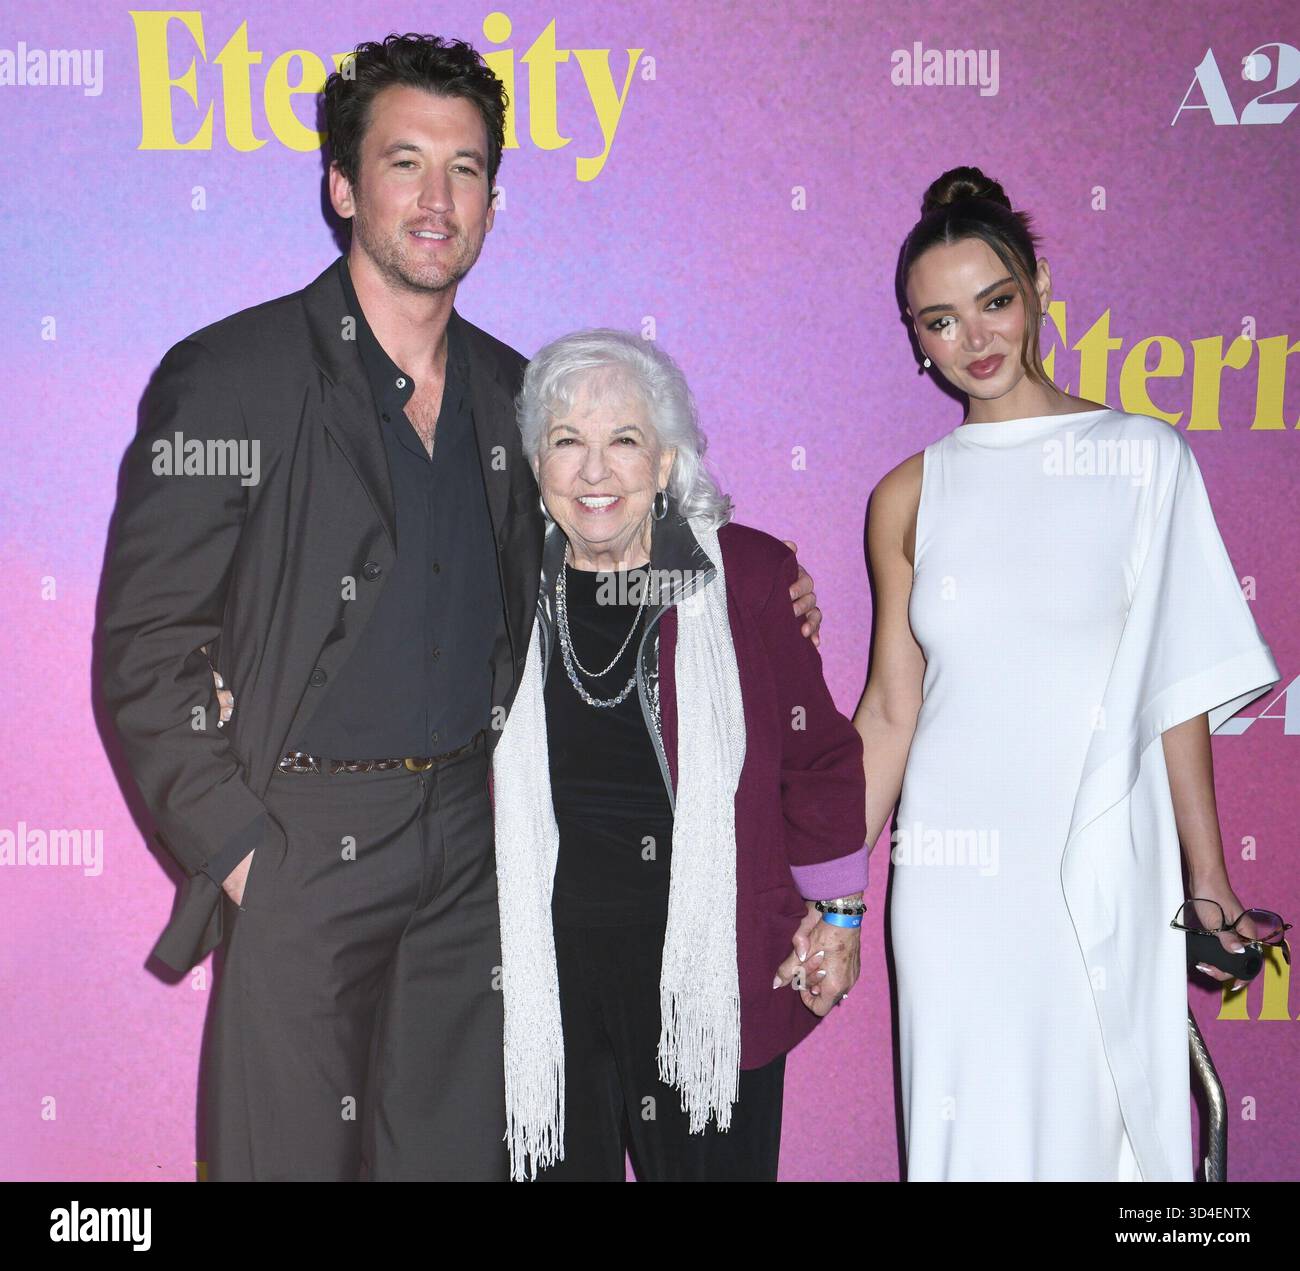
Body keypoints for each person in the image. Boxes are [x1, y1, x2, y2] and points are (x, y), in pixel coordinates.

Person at [97, 34, 821, 1182]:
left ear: (491, 198)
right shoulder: (229, 376)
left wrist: (748, 570)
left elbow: (605, 531)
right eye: (404, 162)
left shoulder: (511, 389)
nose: (437, 199)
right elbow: (145, 647)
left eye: (467, 168)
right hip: (299, 839)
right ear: (341, 185)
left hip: (473, 848)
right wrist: (243, 854)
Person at [854, 165, 1280, 1181]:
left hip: (1098, 850)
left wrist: (1208, 879)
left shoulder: (1142, 458)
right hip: (953, 885)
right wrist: (826, 886)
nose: (975, 338)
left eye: (993, 301)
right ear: (915, 338)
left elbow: (1174, 690)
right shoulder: (908, 494)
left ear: (1037, 285)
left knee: (1105, 1134)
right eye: (940, 321)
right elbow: (888, 709)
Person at [486, 329, 866, 1182]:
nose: (594, 471)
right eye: (566, 442)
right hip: (547, 976)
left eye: (623, 441)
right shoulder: (501, 589)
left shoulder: (747, 577)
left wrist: (839, 916)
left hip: (710, 965)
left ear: (663, 464)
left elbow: (820, 758)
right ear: (536, 464)